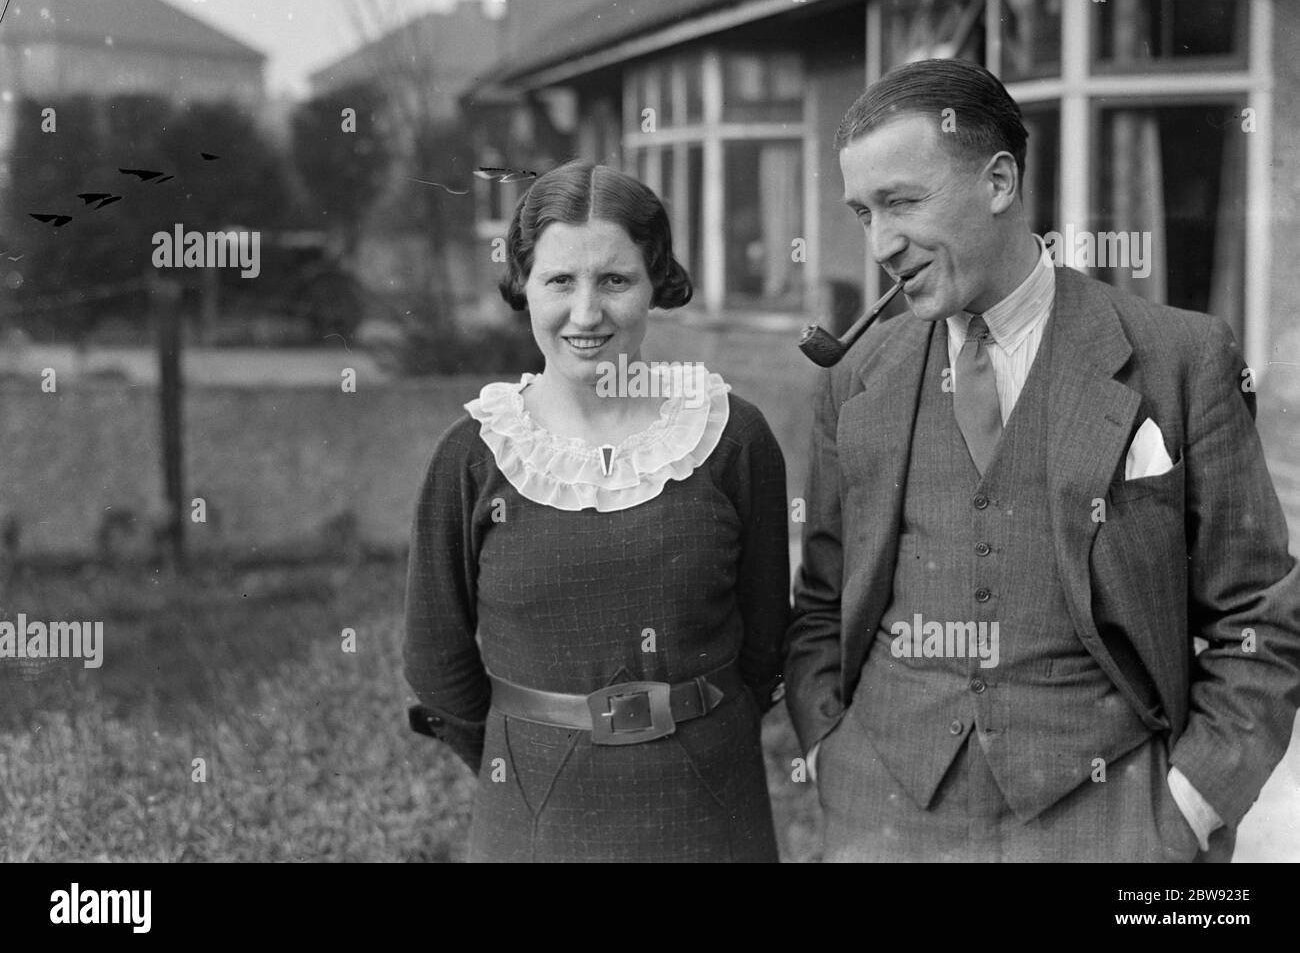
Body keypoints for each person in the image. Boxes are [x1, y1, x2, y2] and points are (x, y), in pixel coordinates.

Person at [784, 58, 1300, 862]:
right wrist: (829, 750)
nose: (881, 243)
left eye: (902, 202)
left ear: (998, 182)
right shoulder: (856, 377)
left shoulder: (1180, 357)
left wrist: (1191, 804)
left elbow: (1259, 617)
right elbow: (820, 600)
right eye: (862, 213)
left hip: (1115, 820)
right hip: (883, 816)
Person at [403, 160, 790, 862]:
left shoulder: (732, 438)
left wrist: (699, 731)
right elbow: (436, 663)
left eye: (615, 280)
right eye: (560, 281)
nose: (586, 314)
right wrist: (530, 756)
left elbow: (766, 642)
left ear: (655, 284)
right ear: (524, 284)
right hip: (536, 812)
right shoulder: (473, 456)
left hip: (709, 805)